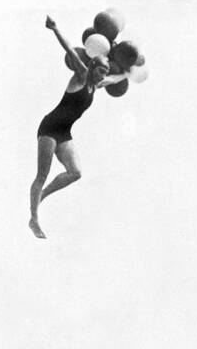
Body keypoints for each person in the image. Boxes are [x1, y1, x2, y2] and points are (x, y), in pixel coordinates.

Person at [29, 16, 126, 239]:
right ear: (92, 66)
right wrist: (54, 28)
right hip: (50, 127)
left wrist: (128, 72)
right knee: (41, 174)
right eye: (101, 70)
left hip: (64, 133)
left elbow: (114, 80)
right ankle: (34, 219)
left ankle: (42, 195)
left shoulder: (97, 84)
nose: (103, 74)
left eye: (105, 71)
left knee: (76, 173)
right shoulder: (82, 75)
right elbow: (69, 50)